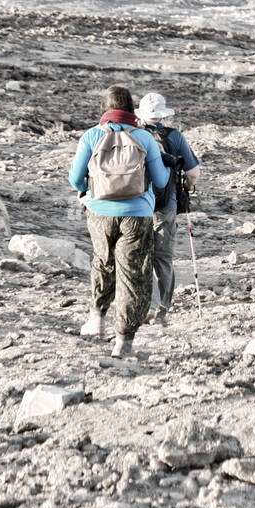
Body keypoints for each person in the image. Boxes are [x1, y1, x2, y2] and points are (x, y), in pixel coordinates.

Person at [68, 85, 170, 359]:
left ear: (104, 109)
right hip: (137, 214)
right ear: (130, 108)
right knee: (133, 274)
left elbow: (74, 179)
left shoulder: (91, 136)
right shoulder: (144, 138)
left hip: (99, 212)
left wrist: (86, 192)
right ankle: (123, 342)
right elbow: (160, 181)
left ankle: (96, 319)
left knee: (103, 261)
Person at [136, 92, 201, 328]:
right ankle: (163, 309)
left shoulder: (133, 134)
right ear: (163, 115)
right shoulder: (175, 136)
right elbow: (193, 173)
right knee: (163, 258)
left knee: (140, 254)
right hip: (167, 203)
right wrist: (186, 186)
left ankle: (145, 305)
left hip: (137, 204)